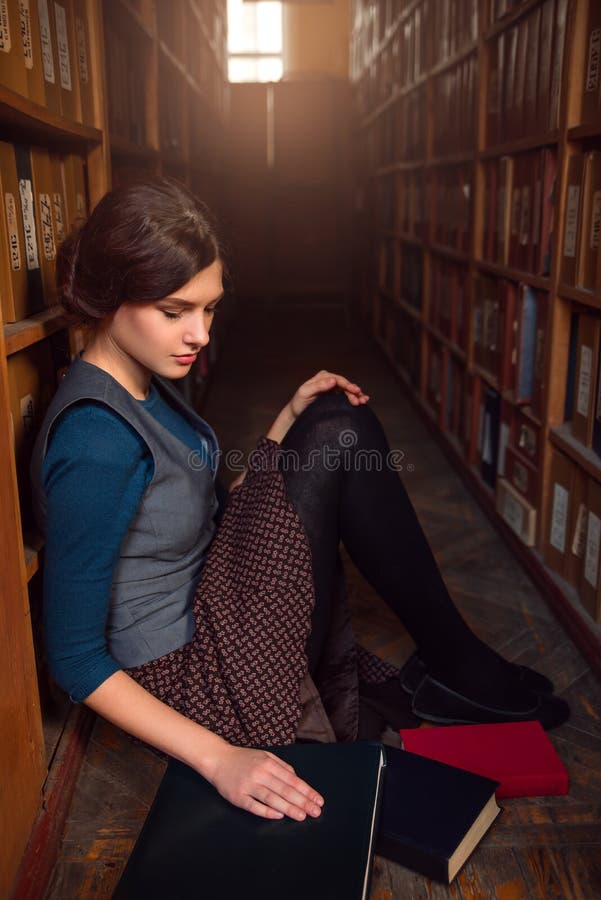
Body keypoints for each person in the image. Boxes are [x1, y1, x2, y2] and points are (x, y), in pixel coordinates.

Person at [31, 177, 568, 826]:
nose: (197, 334)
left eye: (210, 309)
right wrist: (218, 758)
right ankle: (459, 666)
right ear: (110, 296)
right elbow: (74, 658)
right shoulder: (95, 442)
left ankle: (457, 663)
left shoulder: (142, 374)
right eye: (176, 311)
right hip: (192, 676)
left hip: (216, 596)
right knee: (340, 433)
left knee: (330, 415)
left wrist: (287, 416)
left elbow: (190, 514)